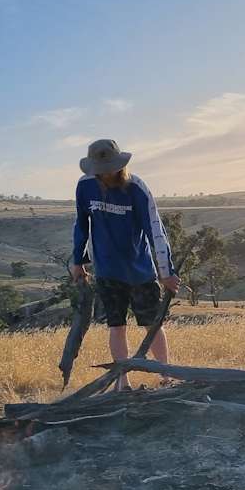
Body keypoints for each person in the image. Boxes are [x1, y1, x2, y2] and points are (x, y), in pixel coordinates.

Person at [70, 138, 180, 390]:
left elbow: (155, 230)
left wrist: (166, 272)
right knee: (116, 326)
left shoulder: (137, 188)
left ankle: (165, 375)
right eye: (100, 169)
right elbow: (81, 223)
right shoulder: (85, 186)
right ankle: (123, 381)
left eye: (109, 168)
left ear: (119, 166)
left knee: (152, 325)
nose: (105, 174)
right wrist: (78, 259)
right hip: (107, 270)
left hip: (140, 269)